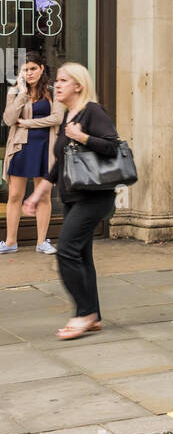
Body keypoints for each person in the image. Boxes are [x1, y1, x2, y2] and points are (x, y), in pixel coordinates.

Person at [22, 63, 119, 340]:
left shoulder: (92, 112)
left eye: (64, 80)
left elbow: (111, 146)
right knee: (81, 256)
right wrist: (39, 194)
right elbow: (60, 162)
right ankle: (94, 316)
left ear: (79, 85)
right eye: (58, 80)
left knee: (65, 250)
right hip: (74, 196)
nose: (58, 84)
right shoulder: (69, 115)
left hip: (94, 196)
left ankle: (84, 313)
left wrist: (83, 137)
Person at [2, 52, 63, 255]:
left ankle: (41, 241)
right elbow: (9, 119)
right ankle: (10, 242)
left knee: (43, 195)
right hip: (20, 147)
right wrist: (21, 93)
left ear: (41, 68)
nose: (29, 73)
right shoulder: (14, 91)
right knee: (15, 195)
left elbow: (57, 118)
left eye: (33, 68)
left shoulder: (53, 91)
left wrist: (27, 123)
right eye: (25, 69)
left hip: (45, 147)